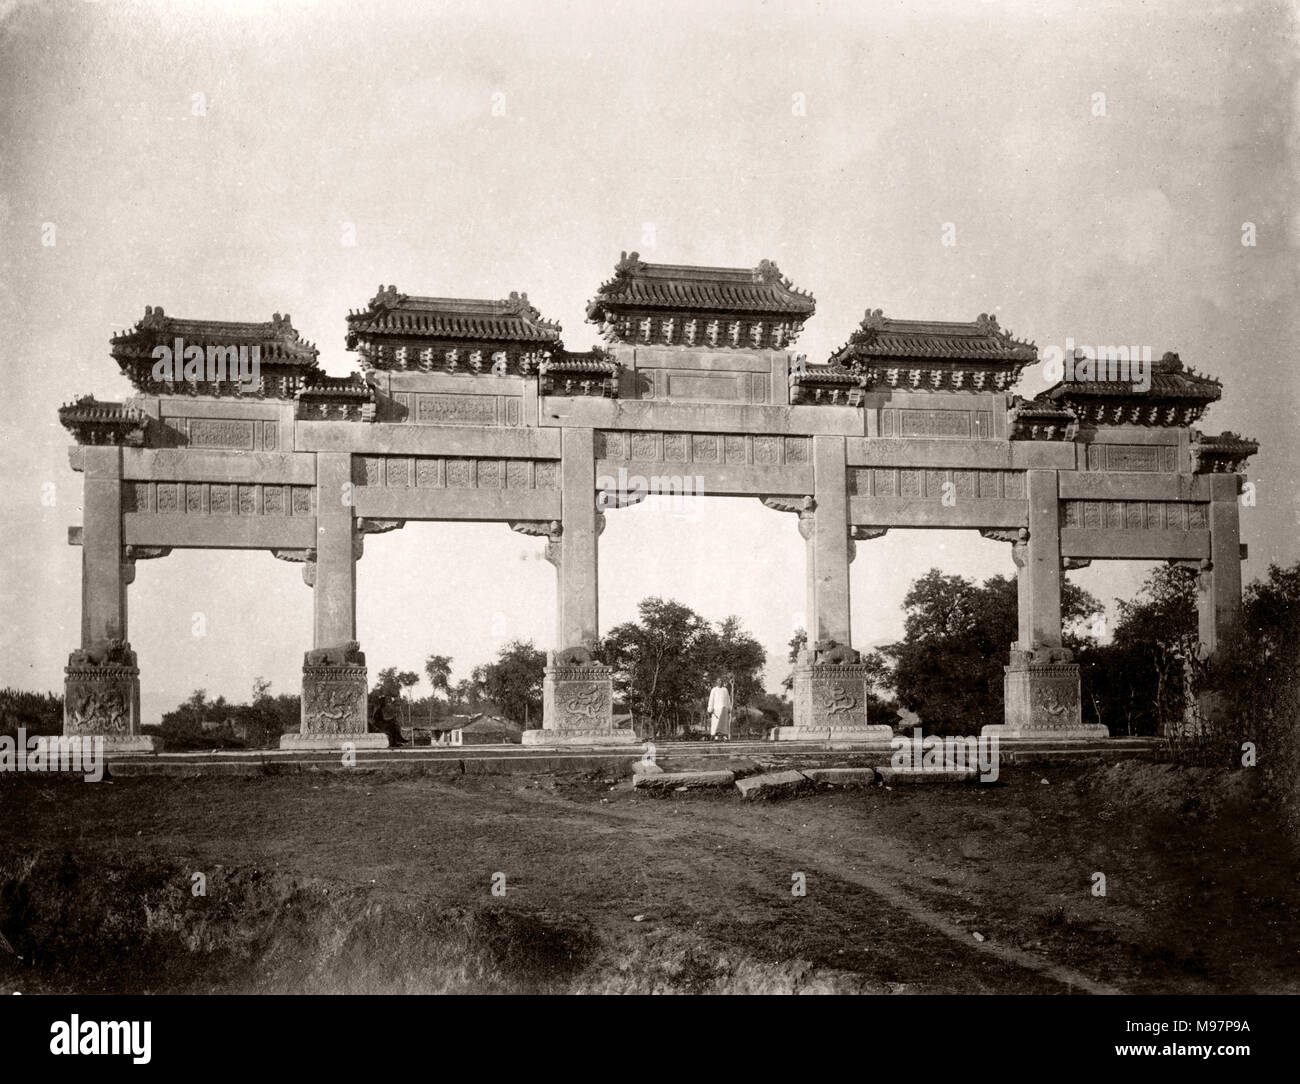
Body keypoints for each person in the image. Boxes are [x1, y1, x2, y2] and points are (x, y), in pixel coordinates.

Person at [707, 677, 732, 741]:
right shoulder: (713, 690)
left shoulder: (725, 690)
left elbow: (728, 700)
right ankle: (716, 737)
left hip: (724, 709)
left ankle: (724, 736)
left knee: (724, 724)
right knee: (716, 724)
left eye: (721, 681)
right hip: (716, 710)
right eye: (718, 681)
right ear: (716, 682)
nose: (720, 682)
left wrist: (729, 708)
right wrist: (710, 708)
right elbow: (711, 700)